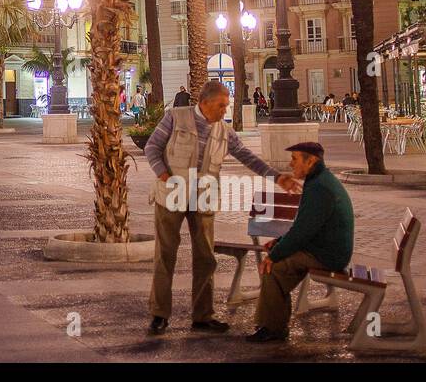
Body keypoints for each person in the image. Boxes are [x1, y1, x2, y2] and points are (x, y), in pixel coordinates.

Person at [144, 81, 300, 335]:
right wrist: (163, 175)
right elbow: (152, 147)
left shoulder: (224, 131)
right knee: (166, 256)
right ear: (204, 103)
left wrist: (276, 176)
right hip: (171, 193)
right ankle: (159, 314)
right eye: (221, 106)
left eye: (226, 106)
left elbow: (247, 157)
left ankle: (203, 316)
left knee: (205, 257)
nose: (224, 111)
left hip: (203, 196)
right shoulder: (175, 117)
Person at [247, 141, 355, 343]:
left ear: (311, 160)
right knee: (277, 265)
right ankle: (273, 324)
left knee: (274, 268)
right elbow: (304, 227)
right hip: (325, 249)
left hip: (327, 255)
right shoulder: (320, 181)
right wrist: (279, 242)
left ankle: (273, 327)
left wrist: (275, 254)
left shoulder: (319, 188)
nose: (290, 164)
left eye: (295, 159)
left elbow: (302, 231)